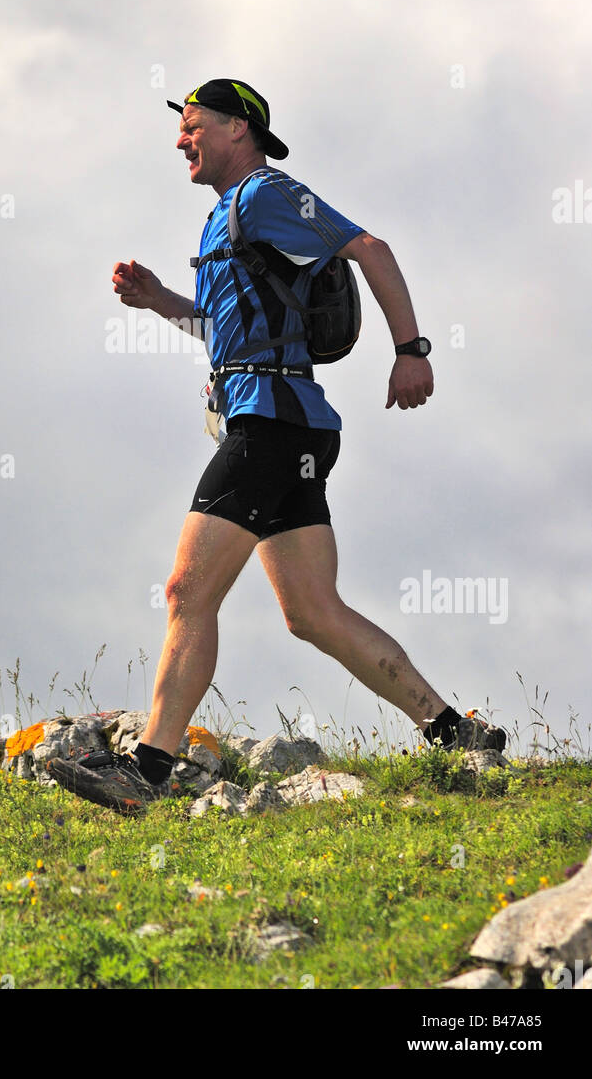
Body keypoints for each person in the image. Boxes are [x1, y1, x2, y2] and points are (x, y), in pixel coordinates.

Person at [48, 79, 506, 814]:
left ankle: (148, 771)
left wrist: (410, 350)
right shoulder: (223, 216)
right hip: (281, 424)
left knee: (187, 591)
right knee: (312, 612)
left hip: (271, 423)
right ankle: (454, 732)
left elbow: (370, 248)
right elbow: (226, 332)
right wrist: (159, 300)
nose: (180, 139)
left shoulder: (265, 193)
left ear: (238, 129)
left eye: (193, 125)